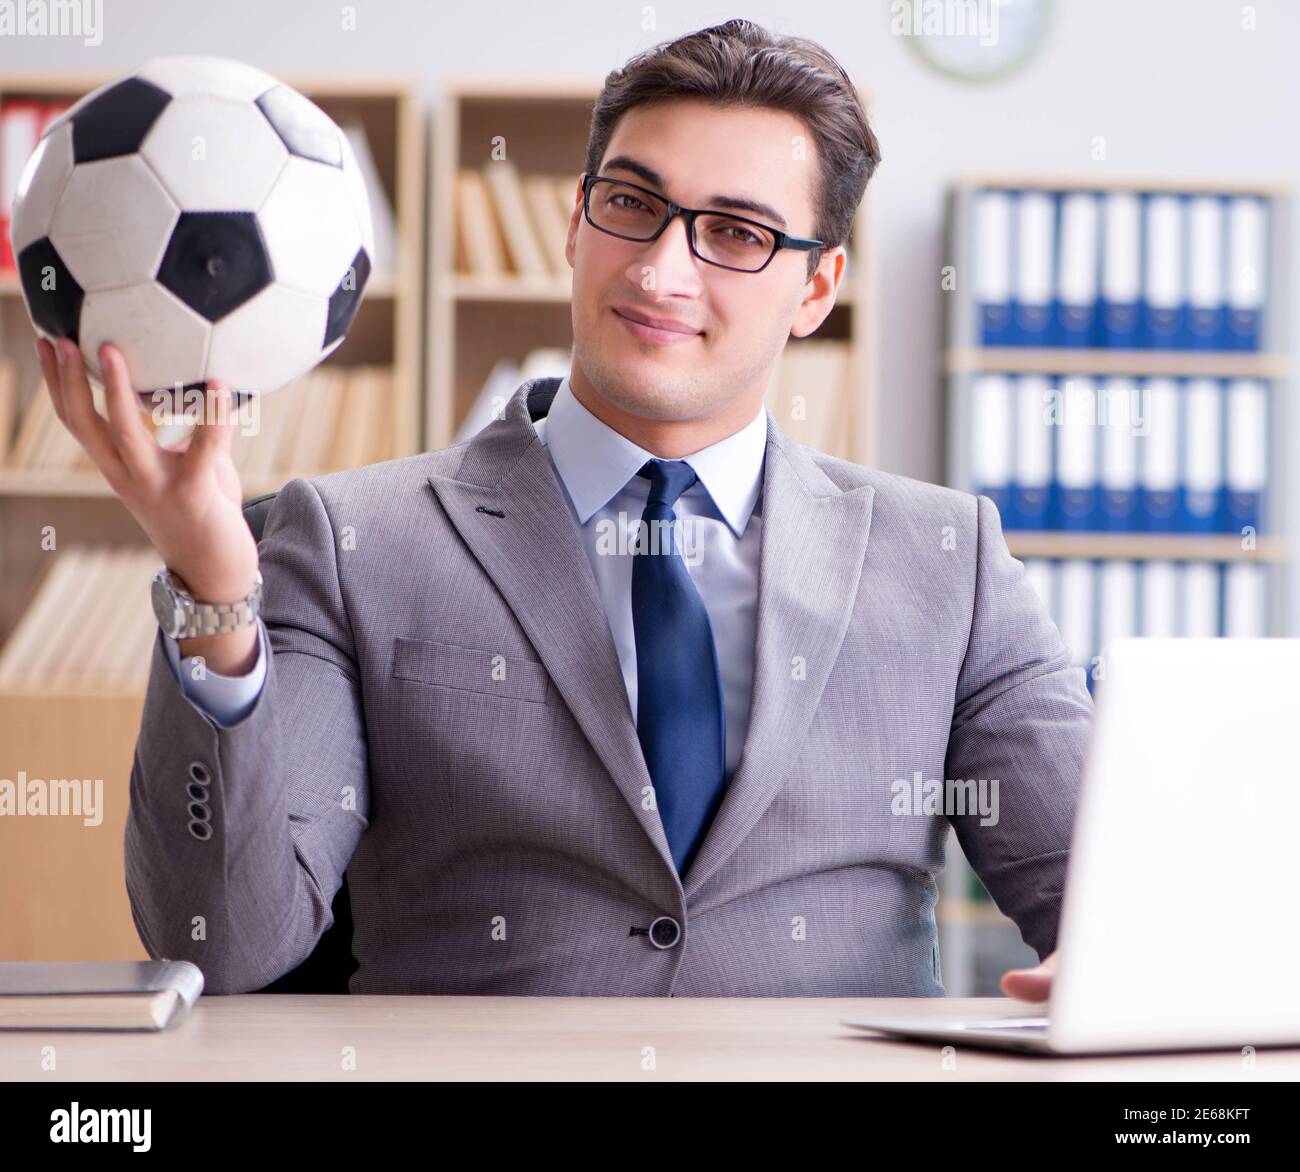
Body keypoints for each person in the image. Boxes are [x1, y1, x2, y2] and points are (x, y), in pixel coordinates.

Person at [37, 19, 1090, 998]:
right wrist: (213, 588)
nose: (660, 271)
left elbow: (1108, 899)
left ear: (817, 289)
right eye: (631, 204)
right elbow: (223, 940)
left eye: (736, 233)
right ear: (576, 224)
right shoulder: (350, 539)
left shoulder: (948, 561)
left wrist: (1121, 960)